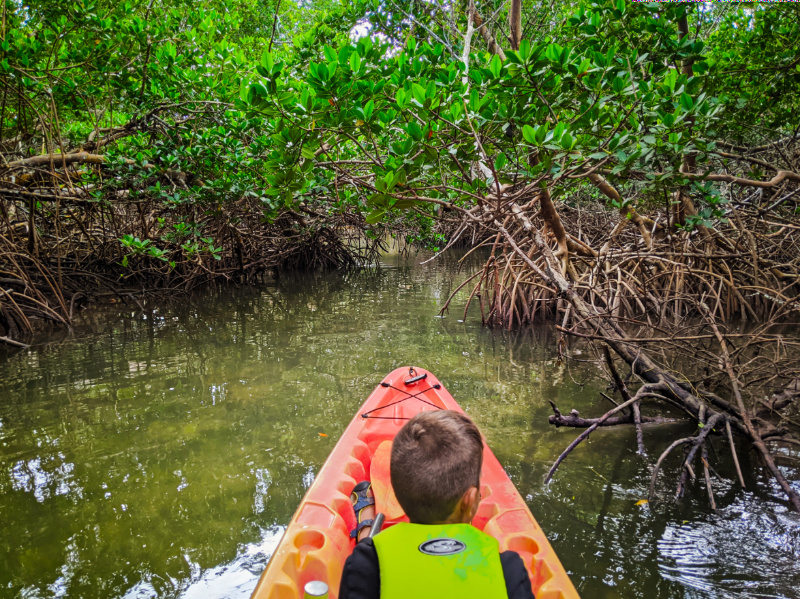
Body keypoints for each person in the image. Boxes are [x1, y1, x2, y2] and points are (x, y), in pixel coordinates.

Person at [339, 410, 535, 599]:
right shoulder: (509, 570)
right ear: (470, 501)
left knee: (367, 550)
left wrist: (366, 552)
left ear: (397, 496)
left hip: (373, 560)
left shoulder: (363, 566)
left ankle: (366, 534)